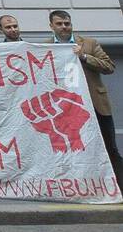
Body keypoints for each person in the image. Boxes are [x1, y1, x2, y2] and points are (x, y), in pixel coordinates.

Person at [49, 10, 119, 171]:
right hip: (67, 110)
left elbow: (109, 67)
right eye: (59, 24)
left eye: (67, 23)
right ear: (51, 26)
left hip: (96, 106)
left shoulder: (89, 43)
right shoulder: (46, 47)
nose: (64, 27)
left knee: (110, 148)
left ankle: (119, 188)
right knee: (76, 151)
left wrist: (85, 57)